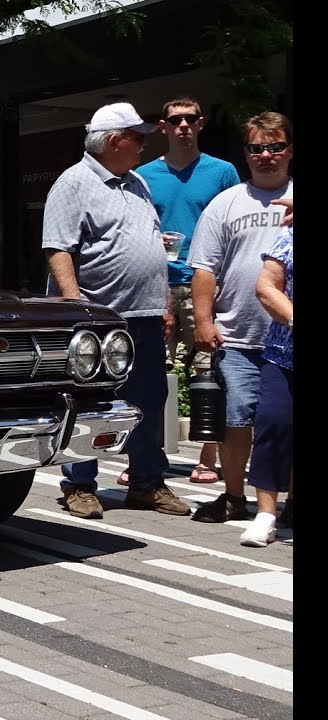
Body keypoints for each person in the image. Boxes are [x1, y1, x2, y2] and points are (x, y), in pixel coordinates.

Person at [41, 102, 189, 519]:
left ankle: (146, 483)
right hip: (98, 318)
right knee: (89, 399)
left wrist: (161, 302)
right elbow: (58, 247)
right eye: (136, 137)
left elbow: (143, 243)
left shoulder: (137, 182)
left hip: (142, 313)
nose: (142, 145)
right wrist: (75, 306)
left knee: (149, 398)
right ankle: (79, 484)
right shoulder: (73, 183)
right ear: (112, 141)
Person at [187, 111, 293, 524]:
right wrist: (203, 321)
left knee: (286, 422)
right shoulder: (226, 203)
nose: (266, 155)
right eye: (256, 148)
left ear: (289, 150)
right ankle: (234, 496)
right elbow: (204, 268)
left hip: (287, 337)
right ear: (246, 154)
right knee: (237, 419)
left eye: (275, 146)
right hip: (239, 333)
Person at [129, 97, 241, 486]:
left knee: (209, 371)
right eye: (175, 120)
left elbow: (235, 224)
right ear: (162, 127)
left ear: (200, 124)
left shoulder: (222, 172)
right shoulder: (144, 175)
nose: (182, 127)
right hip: (154, 284)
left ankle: (207, 459)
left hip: (205, 284)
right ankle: (142, 457)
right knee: (146, 374)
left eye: (189, 120)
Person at [240, 225, 293, 546]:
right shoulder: (290, 237)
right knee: (273, 424)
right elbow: (266, 287)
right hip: (283, 356)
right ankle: (266, 515)